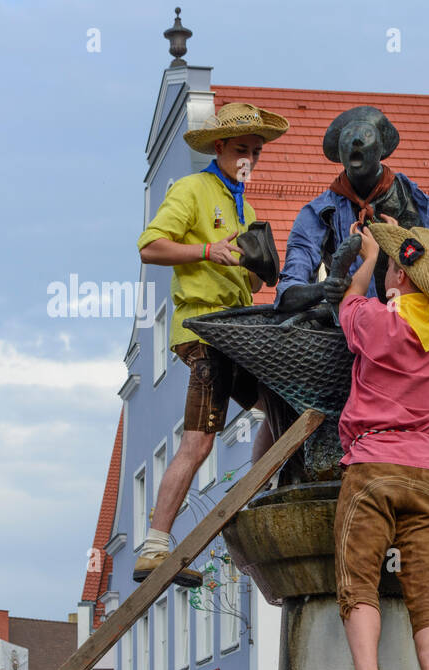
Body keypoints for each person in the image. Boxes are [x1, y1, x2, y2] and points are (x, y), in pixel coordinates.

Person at [274, 105, 429, 492]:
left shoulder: (424, 208)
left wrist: (412, 319)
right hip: (347, 329)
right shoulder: (318, 213)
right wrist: (324, 290)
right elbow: (287, 294)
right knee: (282, 356)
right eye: (348, 148)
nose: (356, 153)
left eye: (364, 144)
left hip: (410, 327)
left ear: (382, 149)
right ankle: (297, 466)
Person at [327, 218, 429, 670]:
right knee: (427, 591)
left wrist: (369, 258)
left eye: (395, 266)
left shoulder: (375, 322)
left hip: (372, 468)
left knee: (357, 580)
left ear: (401, 278)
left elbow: (348, 303)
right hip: (427, 477)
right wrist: (407, 249)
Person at [134, 101, 289, 587]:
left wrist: (261, 269)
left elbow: (250, 281)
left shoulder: (246, 207)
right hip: (205, 332)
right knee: (199, 439)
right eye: (243, 149)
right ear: (218, 147)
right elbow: (150, 247)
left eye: (256, 151)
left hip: (236, 333)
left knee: (282, 406)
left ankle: (257, 494)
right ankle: (154, 547)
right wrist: (208, 250)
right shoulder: (191, 189)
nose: (250, 159)